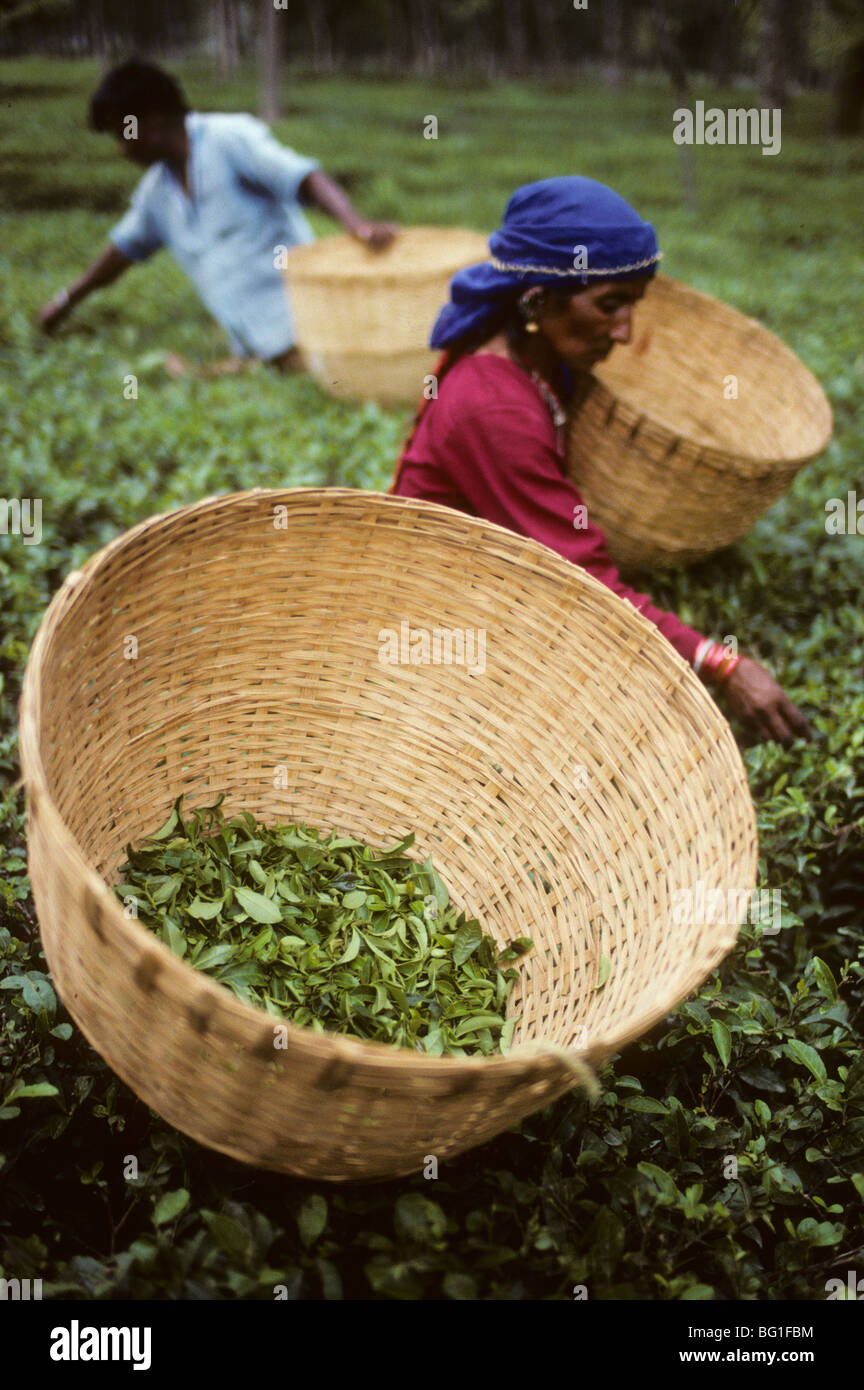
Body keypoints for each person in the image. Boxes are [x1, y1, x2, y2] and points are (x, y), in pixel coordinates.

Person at [389, 176, 812, 746]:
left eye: (632, 305)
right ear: (538, 300)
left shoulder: (528, 348)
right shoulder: (493, 407)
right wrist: (722, 665)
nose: (625, 331)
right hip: (442, 610)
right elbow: (583, 580)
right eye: (610, 305)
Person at [37, 60, 398, 376]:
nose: (122, 149)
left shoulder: (228, 138)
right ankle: (238, 367)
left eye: (124, 134)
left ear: (154, 117)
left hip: (311, 328)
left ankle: (229, 371)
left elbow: (302, 177)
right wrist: (65, 301)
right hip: (256, 344)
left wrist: (355, 224)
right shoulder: (156, 192)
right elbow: (121, 251)